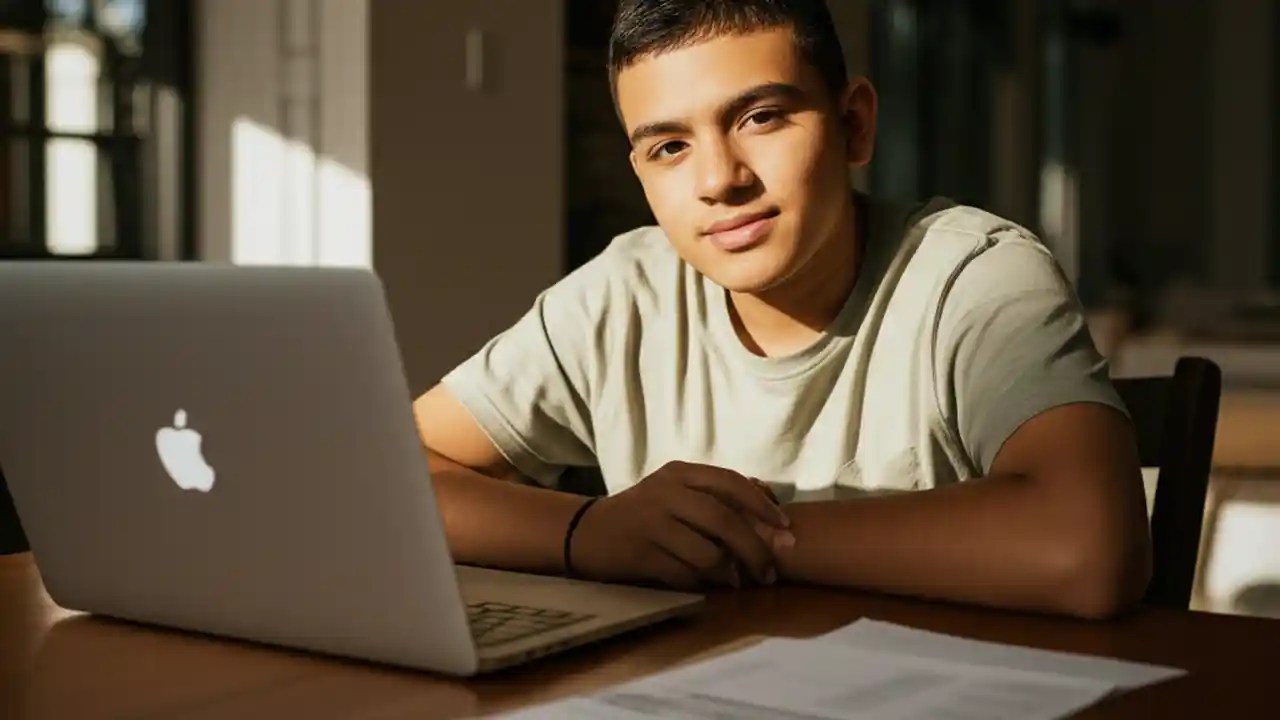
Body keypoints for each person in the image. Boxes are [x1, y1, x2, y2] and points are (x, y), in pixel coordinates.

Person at [414, 0, 1152, 619]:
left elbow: (1086, 547)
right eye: (669, 146)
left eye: (761, 117)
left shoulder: (975, 276)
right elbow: (397, 471)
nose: (718, 179)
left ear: (855, 124)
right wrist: (588, 531)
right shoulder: (623, 292)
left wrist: (736, 537)